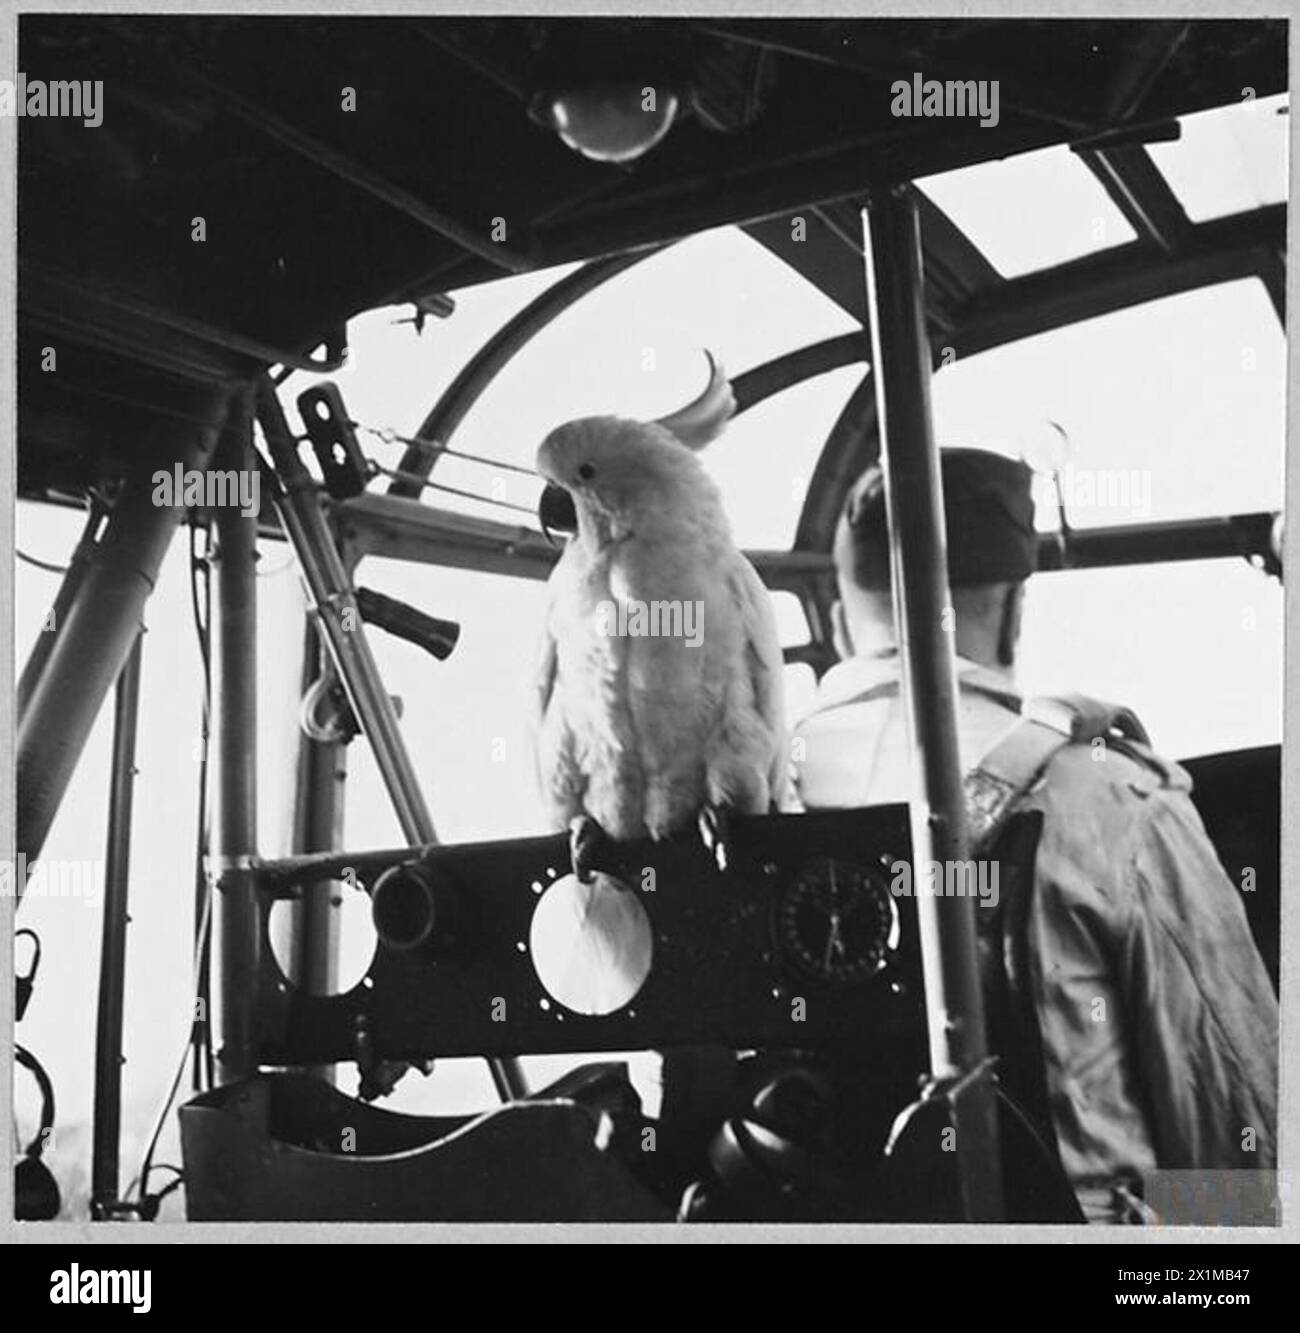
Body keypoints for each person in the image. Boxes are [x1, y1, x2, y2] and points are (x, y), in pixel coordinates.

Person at [792, 447, 1278, 1223]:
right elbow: (1245, 1139)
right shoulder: (1111, 796)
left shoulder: (743, 801)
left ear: (843, 614)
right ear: (1016, 607)